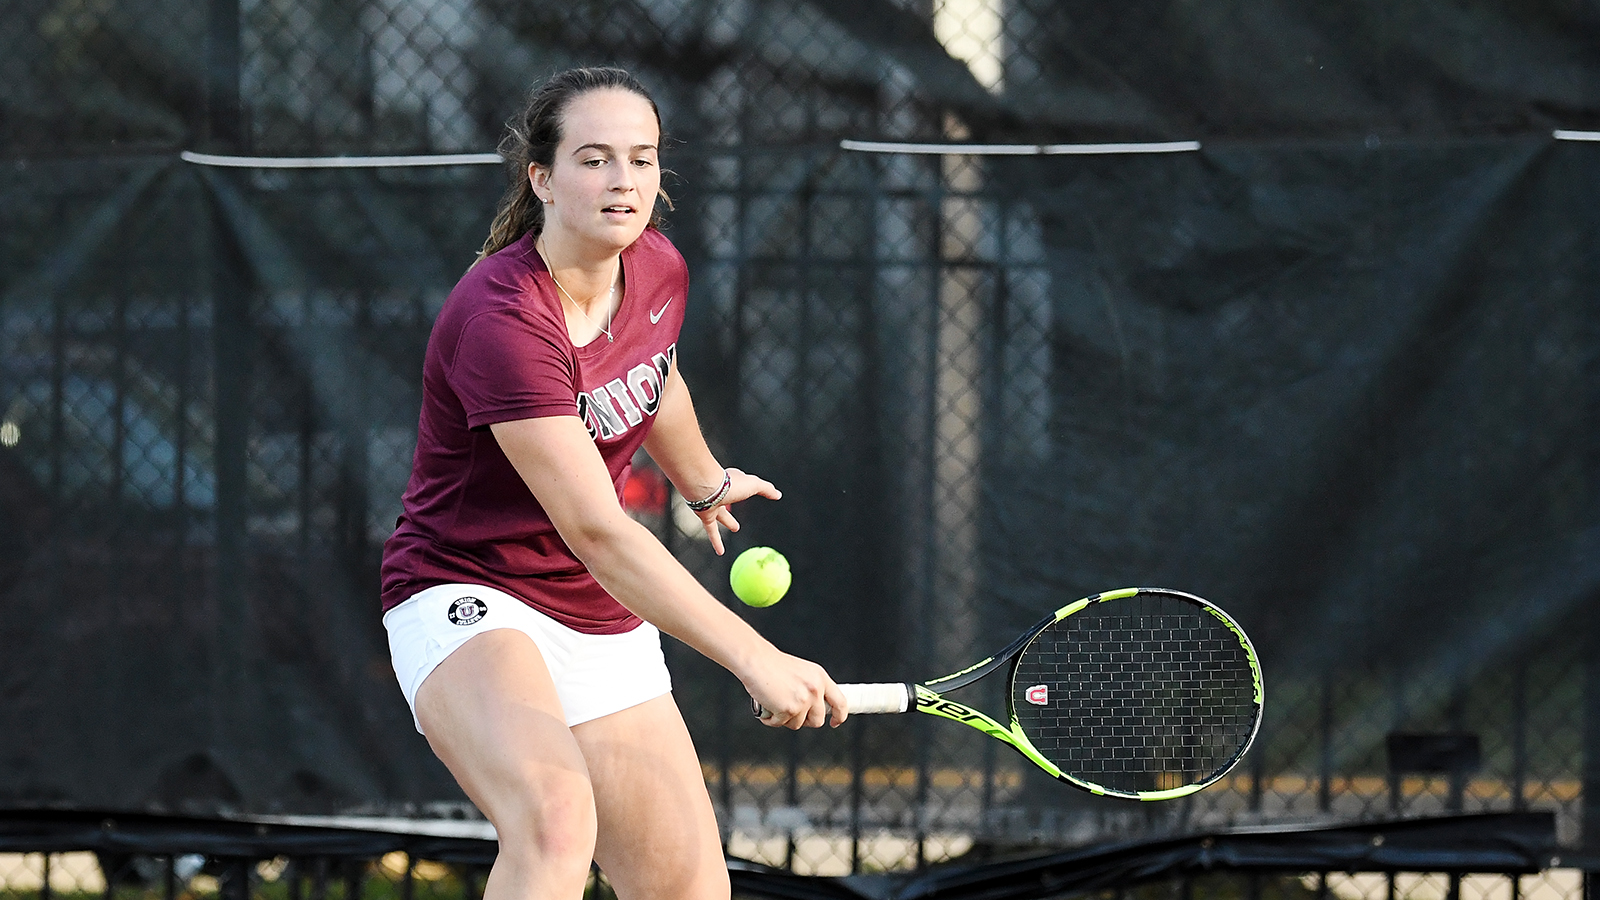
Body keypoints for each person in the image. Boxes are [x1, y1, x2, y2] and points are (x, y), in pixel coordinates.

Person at [378, 66, 847, 900]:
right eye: (594, 159)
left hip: (595, 613)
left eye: (642, 158)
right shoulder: (503, 319)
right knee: (556, 822)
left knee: (688, 890)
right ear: (542, 179)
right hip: (471, 592)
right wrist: (755, 658)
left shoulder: (659, 267)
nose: (623, 180)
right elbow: (597, 530)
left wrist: (703, 480)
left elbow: (652, 373)